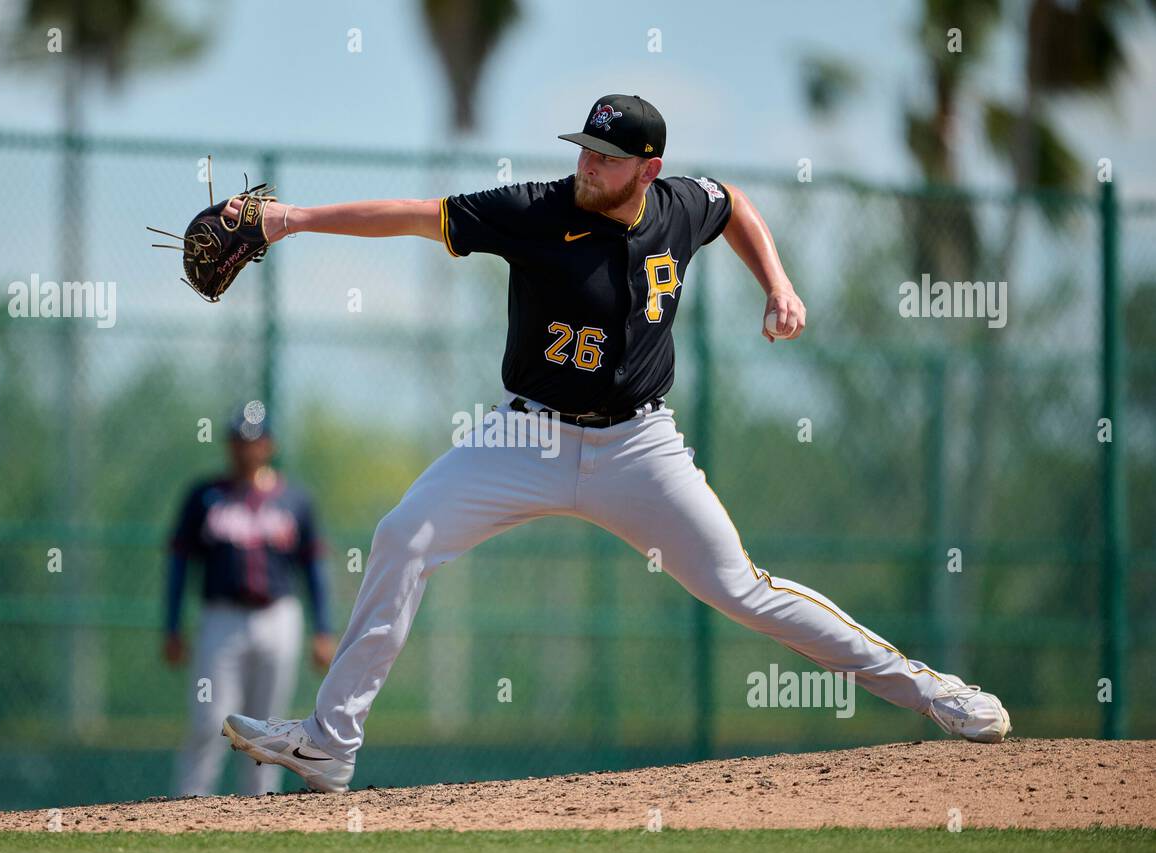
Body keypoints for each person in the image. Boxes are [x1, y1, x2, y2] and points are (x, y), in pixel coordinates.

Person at [221, 94, 1011, 793]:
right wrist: (291, 220)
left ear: (647, 167)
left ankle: (937, 693)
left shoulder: (678, 205)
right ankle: (329, 745)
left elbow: (733, 203)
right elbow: (413, 215)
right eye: (583, 149)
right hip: (524, 434)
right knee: (402, 537)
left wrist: (778, 283)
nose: (586, 164)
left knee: (744, 590)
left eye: (605, 157)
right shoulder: (532, 210)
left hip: (639, 446)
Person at [165, 404, 335, 795]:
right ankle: (188, 806)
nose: (244, 449)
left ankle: (261, 810)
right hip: (220, 618)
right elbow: (178, 564)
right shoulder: (205, 496)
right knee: (209, 719)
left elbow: (314, 570)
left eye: (252, 440)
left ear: (268, 445)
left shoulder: (295, 499)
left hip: (279, 616)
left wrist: (323, 628)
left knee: (266, 725)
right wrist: (172, 626)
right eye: (237, 440)